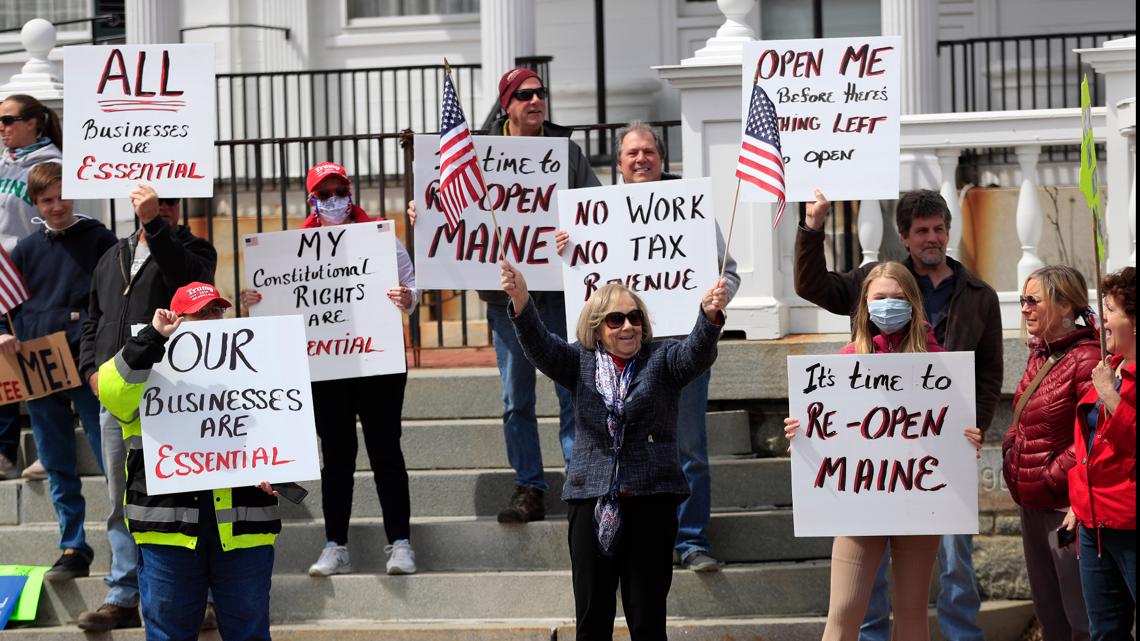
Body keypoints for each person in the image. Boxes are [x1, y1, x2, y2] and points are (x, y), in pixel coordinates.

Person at [794, 189, 1000, 641]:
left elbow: (983, 379)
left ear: (912, 303)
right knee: (845, 613)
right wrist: (802, 430)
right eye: (922, 230)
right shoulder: (845, 361)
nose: (932, 237)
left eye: (938, 229)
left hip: (923, 491)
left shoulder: (951, 339)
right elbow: (811, 286)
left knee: (912, 614)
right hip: (862, 501)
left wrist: (971, 430)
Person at [408, 67, 601, 523]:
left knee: (572, 389)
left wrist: (572, 234)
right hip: (505, 300)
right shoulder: (475, 154)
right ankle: (529, 487)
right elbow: (447, 203)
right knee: (518, 399)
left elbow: (594, 210)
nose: (536, 101)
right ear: (508, 104)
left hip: (558, 294)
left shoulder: (566, 153)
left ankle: (579, 480)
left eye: (541, 93)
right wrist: (425, 211)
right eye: (525, 95)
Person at [500, 256, 727, 641]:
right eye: (616, 319)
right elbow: (540, 346)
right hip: (591, 500)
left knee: (647, 620)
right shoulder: (579, 362)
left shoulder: (662, 359)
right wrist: (522, 301)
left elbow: (695, 355)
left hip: (650, 501)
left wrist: (708, 319)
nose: (627, 326)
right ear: (597, 328)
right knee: (592, 618)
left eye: (635, 317)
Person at [553, 121, 740, 571]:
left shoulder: (689, 209)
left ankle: (692, 539)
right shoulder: (596, 214)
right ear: (619, 165)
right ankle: (616, 532)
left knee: (689, 445)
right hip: (616, 357)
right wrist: (565, 252)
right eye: (632, 153)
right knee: (612, 444)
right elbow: (582, 285)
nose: (641, 159)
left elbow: (728, 272)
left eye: (648, 152)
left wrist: (717, 299)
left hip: (677, 352)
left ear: (662, 158)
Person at [241, 161, 419, 577]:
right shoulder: (290, 249)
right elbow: (280, 303)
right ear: (312, 200)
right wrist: (256, 301)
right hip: (326, 366)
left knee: (385, 451)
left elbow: (413, 283)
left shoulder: (380, 239)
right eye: (324, 194)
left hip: (377, 362)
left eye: (340, 191)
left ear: (351, 193)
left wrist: (407, 297)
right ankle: (335, 545)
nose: (334, 200)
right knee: (336, 457)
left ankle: (401, 543)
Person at [97, 285, 281, 640]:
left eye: (217, 311)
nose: (212, 319)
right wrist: (153, 338)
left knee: (250, 634)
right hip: (169, 532)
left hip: (244, 528)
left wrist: (283, 475)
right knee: (169, 635)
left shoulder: (253, 363)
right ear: (177, 320)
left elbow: (286, 423)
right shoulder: (146, 363)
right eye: (201, 313)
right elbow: (112, 392)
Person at [77, 185, 217, 631]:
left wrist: (156, 225)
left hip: (176, 394)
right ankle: (122, 594)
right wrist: (91, 371)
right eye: (159, 201)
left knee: (187, 494)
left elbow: (188, 281)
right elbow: (93, 318)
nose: (166, 207)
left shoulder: (195, 249)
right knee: (121, 496)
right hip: (119, 397)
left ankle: (201, 597)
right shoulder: (112, 254)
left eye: (173, 202)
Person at [0, 162, 116, 581]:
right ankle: (72, 546)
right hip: (39, 370)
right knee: (56, 464)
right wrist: (1, 334)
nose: (57, 206)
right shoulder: (25, 250)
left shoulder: (101, 239)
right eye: (47, 200)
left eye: (63, 197)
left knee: (111, 461)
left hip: (87, 368)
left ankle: (129, 545)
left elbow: (117, 296)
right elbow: (3, 304)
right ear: (35, 204)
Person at [1002, 264, 1099, 641]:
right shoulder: (1039, 354)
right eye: (1023, 300)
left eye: (1033, 300)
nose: (1024, 308)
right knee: (1050, 614)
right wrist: (1012, 451)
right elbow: (1025, 420)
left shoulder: (1086, 359)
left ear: (1064, 307)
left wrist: (1050, 475)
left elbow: (1092, 435)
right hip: (1033, 502)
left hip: (1064, 509)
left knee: (1080, 617)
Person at [1064, 266, 1136, 641]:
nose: (1101, 319)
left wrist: (1111, 396)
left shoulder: (1110, 381)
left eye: (1109, 310)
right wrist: (1079, 501)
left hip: (1132, 525)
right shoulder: (1111, 370)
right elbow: (1090, 444)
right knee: (1105, 633)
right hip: (1095, 526)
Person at [0, 94, 63, 482]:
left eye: (8, 120)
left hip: (31, 274)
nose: (2, 128)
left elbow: (49, 218)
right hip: (3, 277)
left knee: (37, 362)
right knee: (3, 365)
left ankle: (47, 451)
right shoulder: (4, 163)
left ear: (33, 123)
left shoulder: (50, 163)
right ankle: (4, 453)